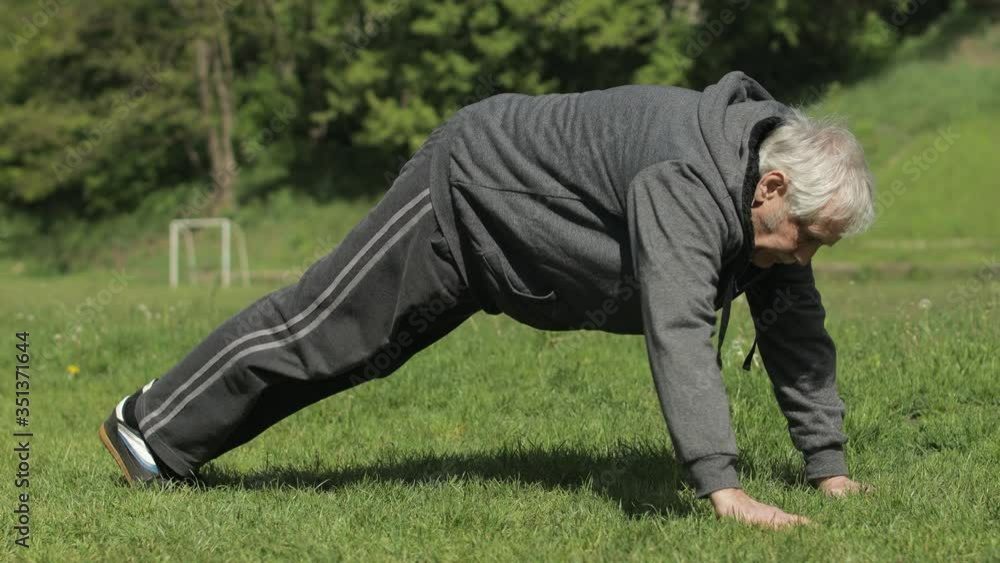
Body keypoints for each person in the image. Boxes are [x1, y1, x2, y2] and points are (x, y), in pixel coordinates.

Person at [100, 71, 876, 530]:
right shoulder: (691, 179)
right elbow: (678, 325)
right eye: (806, 235)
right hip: (465, 189)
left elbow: (795, 328)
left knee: (364, 355)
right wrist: (724, 487)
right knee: (325, 327)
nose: (804, 256)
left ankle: (175, 450)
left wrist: (828, 466)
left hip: (512, 244)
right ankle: (150, 427)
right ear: (771, 188)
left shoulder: (761, 191)